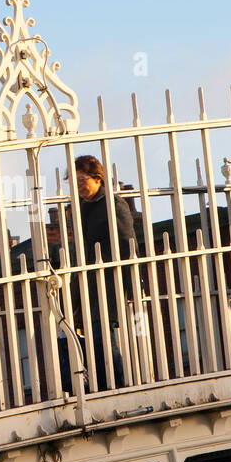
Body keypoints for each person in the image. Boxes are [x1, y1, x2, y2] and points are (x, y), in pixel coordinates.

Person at [57, 155, 137, 390]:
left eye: (82, 180)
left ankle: (116, 387)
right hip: (86, 281)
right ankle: (100, 387)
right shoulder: (80, 208)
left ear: (96, 178)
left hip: (109, 280)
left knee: (103, 336)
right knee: (87, 337)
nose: (79, 186)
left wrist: (132, 283)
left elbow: (127, 243)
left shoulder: (113, 204)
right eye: (74, 181)